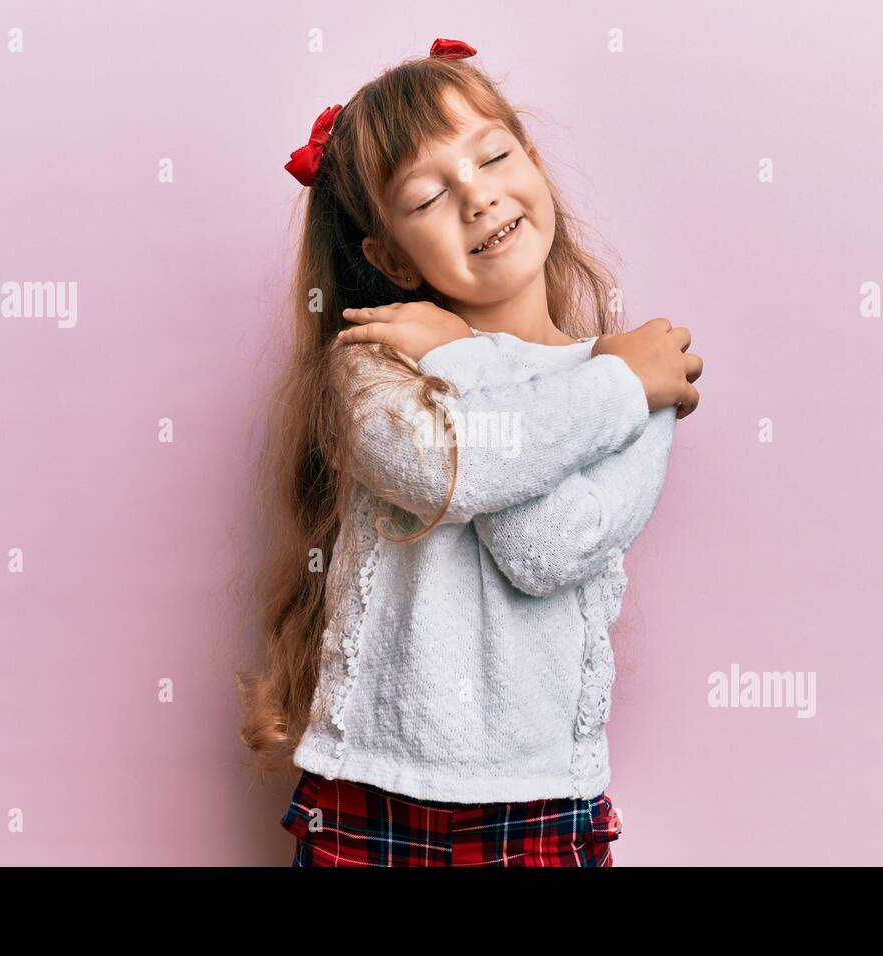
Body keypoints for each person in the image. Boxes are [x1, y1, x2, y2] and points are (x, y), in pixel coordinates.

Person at [238, 37, 703, 867]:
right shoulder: (378, 359)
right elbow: (453, 470)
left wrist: (477, 361)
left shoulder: (630, 382)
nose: (478, 197)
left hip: (538, 797)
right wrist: (466, 356)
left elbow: (545, 549)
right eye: (428, 198)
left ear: (532, 158)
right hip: (372, 785)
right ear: (387, 259)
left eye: (493, 156)